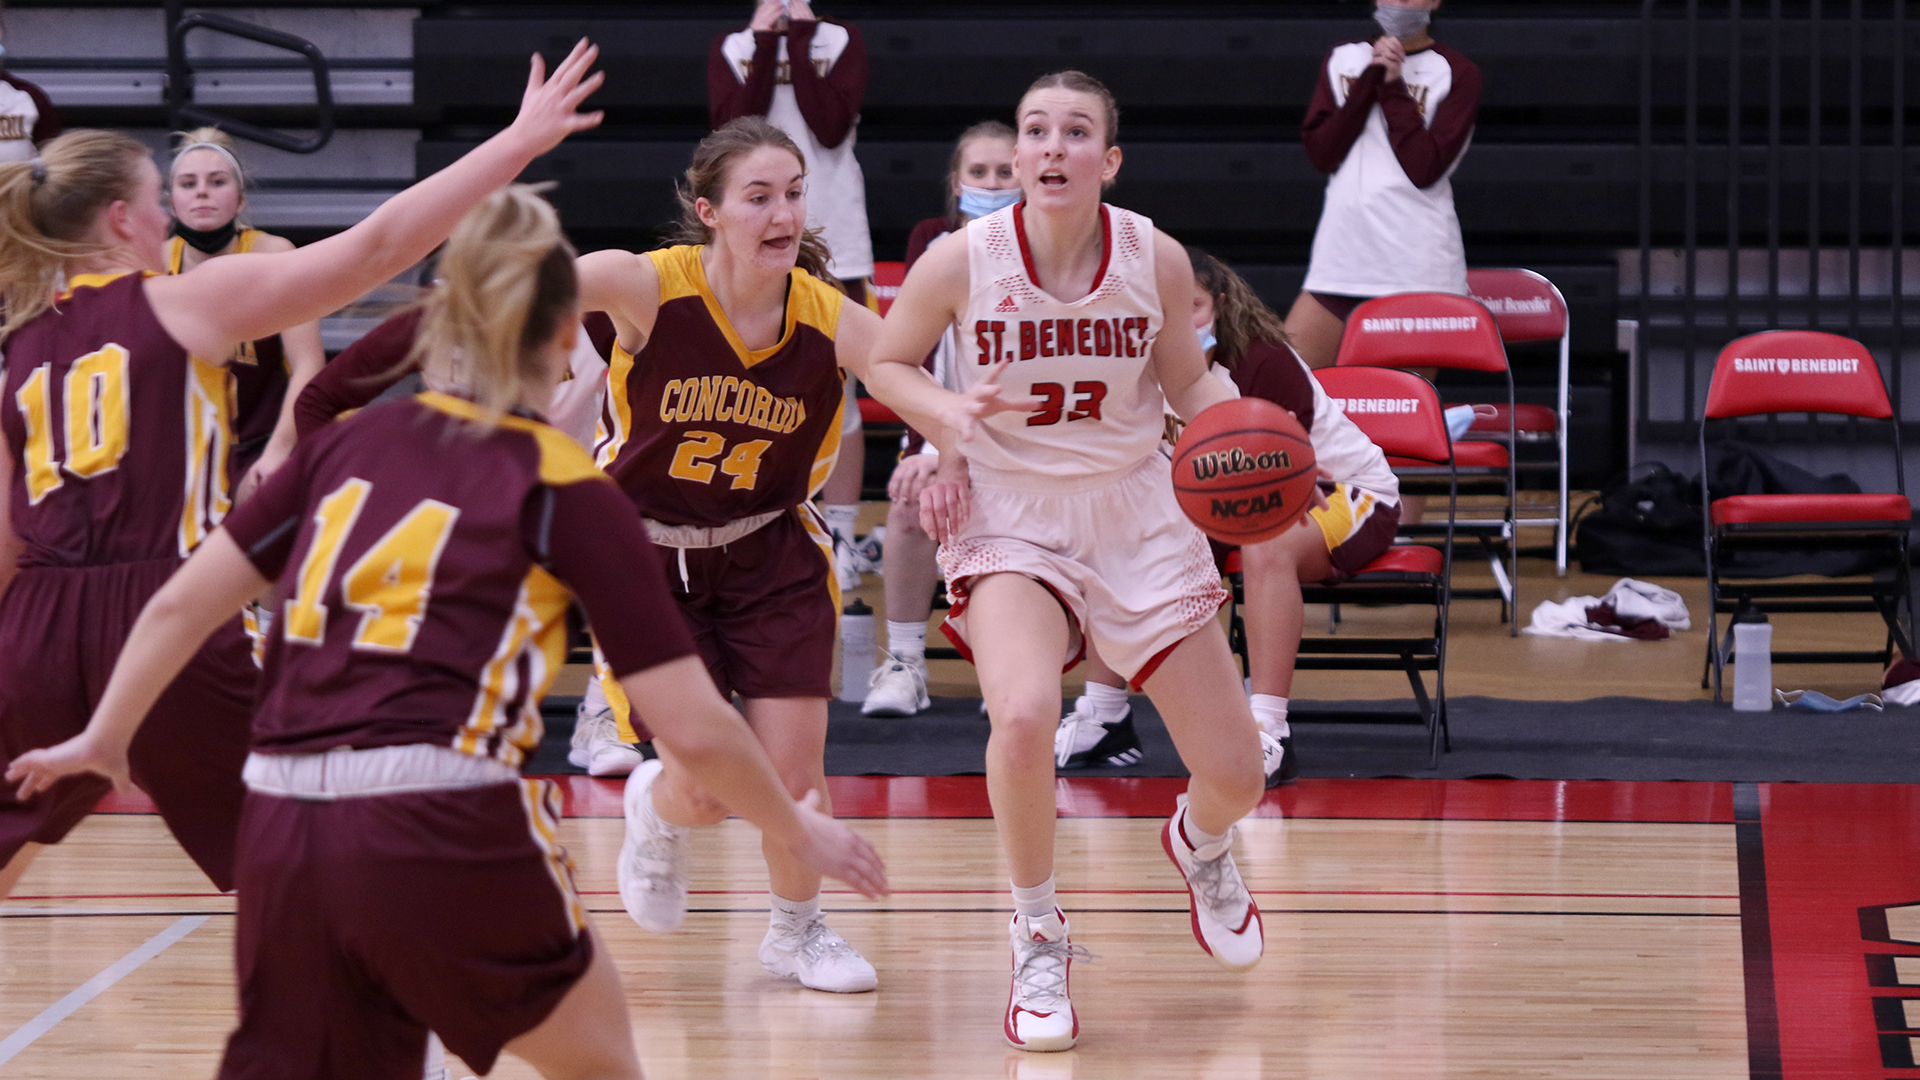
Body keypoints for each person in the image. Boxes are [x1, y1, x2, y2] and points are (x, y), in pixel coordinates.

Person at [8, 183, 888, 1080]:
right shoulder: (565, 485)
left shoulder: (338, 451)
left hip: (282, 811)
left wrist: (105, 735)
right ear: (566, 336)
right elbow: (695, 723)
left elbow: (175, 606)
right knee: (603, 1064)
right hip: (441, 803)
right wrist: (796, 827)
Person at [0, 40, 603, 907]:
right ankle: (417, 986)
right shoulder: (186, 299)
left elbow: (9, 537)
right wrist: (515, 144)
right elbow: (376, 247)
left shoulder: (22, 346)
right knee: (307, 844)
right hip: (162, 611)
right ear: (122, 220)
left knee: (13, 831)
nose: (168, 220)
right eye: (157, 200)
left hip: (37, 627)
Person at [859, 71, 1268, 1051]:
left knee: (1239, 775)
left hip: (1135, 508)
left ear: (1107, 161)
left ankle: (1200, 842)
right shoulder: (962, 259)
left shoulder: (1154, 256)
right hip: (1013, 513)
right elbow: (885, 361)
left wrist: (1251, 434)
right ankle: (1037, 932)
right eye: (1036, 129)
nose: (1052, 146)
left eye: (1075, 132)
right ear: (1019, 156)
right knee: (1024, 713)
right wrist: (945, 417)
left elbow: (1187, 380)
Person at [577, 115, 889, 994]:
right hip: (644, 558)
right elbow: (521, 285)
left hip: (769, 551)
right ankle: (655, 810)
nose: (783, 213)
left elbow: (906, 373)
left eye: (794, 194)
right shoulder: (646, 287)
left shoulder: (828, 316)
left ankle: (797, 932)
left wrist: (947, 434)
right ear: (709, 210)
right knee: (707, 788)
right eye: (759, 197)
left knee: (794, 773)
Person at [1057, 251, 1402, 788]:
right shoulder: (1130, 367)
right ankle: (1105, 716)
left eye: (1191, 307)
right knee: (1117, 533)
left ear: (1219, 305)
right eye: (1162, 309)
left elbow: (1285, 475)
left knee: (1268, 541)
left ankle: (1268, 727)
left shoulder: (1262, 360)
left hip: (1340, 492)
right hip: (1221, 500)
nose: (1177, 321)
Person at [711, 0, 880, 590]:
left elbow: (829, 124)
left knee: (840, 392)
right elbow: (733, 138)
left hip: (838, 240)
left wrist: (801, 35)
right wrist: (764, 44)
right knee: (745, 391)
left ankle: (842, 538)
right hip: (751, 245)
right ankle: (748, 527)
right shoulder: (733, 48)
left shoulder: (839, 40)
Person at [862, 119, 1018, 718]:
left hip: (1027, 436)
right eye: (978, 172)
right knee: (910, 503)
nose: (992, 183)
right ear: (956, 182)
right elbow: (912, 357)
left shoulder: (1049, 246)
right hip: (946, 424)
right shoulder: (932, 241)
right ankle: (904, 663)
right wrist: (927, 448)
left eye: (1004, 172)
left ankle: (1010, 671)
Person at [1283, 0, 1479, 371]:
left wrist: (1392, 85)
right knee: (1291, 386)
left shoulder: (1457, 72)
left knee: (1405, 400)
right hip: (1342, 260)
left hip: (1416, 267)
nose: (1400, 1)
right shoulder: (1342, 58)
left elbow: (1423, 167)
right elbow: (1323, 154)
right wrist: (1372, 76)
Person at [165, 127, 328, 496]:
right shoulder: (156, 263)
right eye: (188, 183)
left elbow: (308, 364)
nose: (202, 191)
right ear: (172, 204)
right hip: (183, 448)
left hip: (263, 439)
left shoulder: (273, 255)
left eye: (217, 181)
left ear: (240, 201)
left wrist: (277, 452)